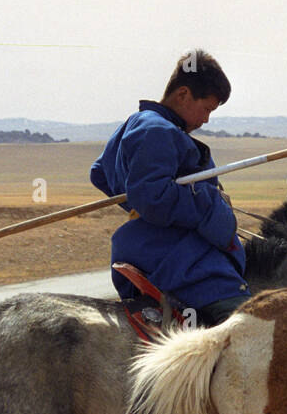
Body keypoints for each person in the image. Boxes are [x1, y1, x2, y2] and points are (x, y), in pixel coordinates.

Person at [90, 49, 249, 327]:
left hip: (149, 247)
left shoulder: (135, 124)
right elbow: (152, 195)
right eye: (207, 109)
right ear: (183, 94)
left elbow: (100, 174)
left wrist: (139, 207)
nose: (206, 120)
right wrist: (209, 203)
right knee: (244, 321)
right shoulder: (157, 130)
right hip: (175, 257)